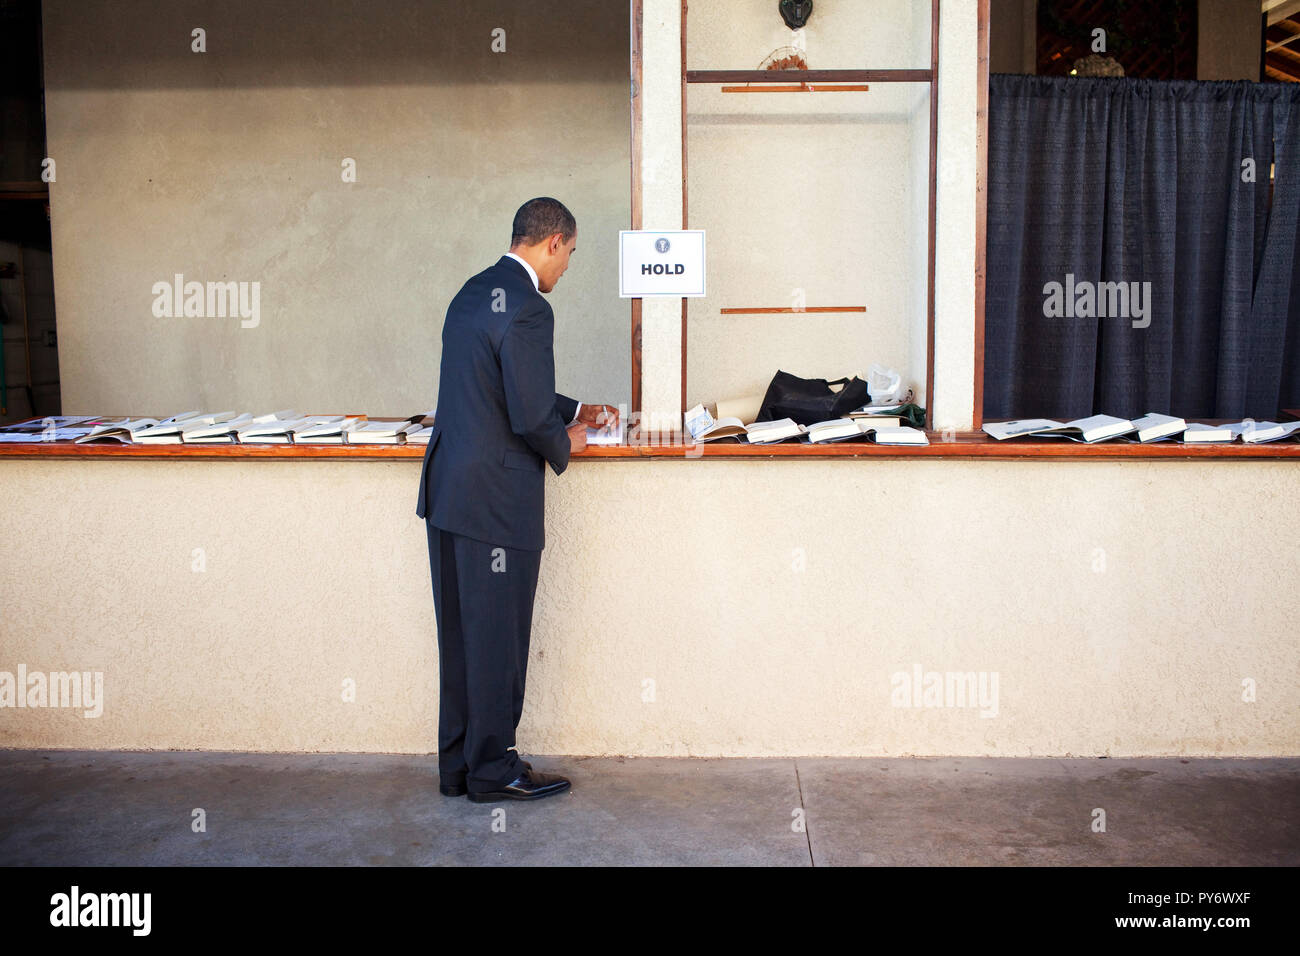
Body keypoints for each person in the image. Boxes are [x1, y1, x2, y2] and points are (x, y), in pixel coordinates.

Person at [415, 197, 618, 803]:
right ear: (552, 241)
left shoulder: (472, 292)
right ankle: (495, 769)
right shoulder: (530, 307)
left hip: (450, 492)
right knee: (498, 636)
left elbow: (496, 380)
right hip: (498, 502)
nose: (566, 272)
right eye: (571, 256)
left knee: (461, 637)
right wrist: (568, 440)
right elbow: (527, 412)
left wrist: (575, 409)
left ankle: (458, 768)